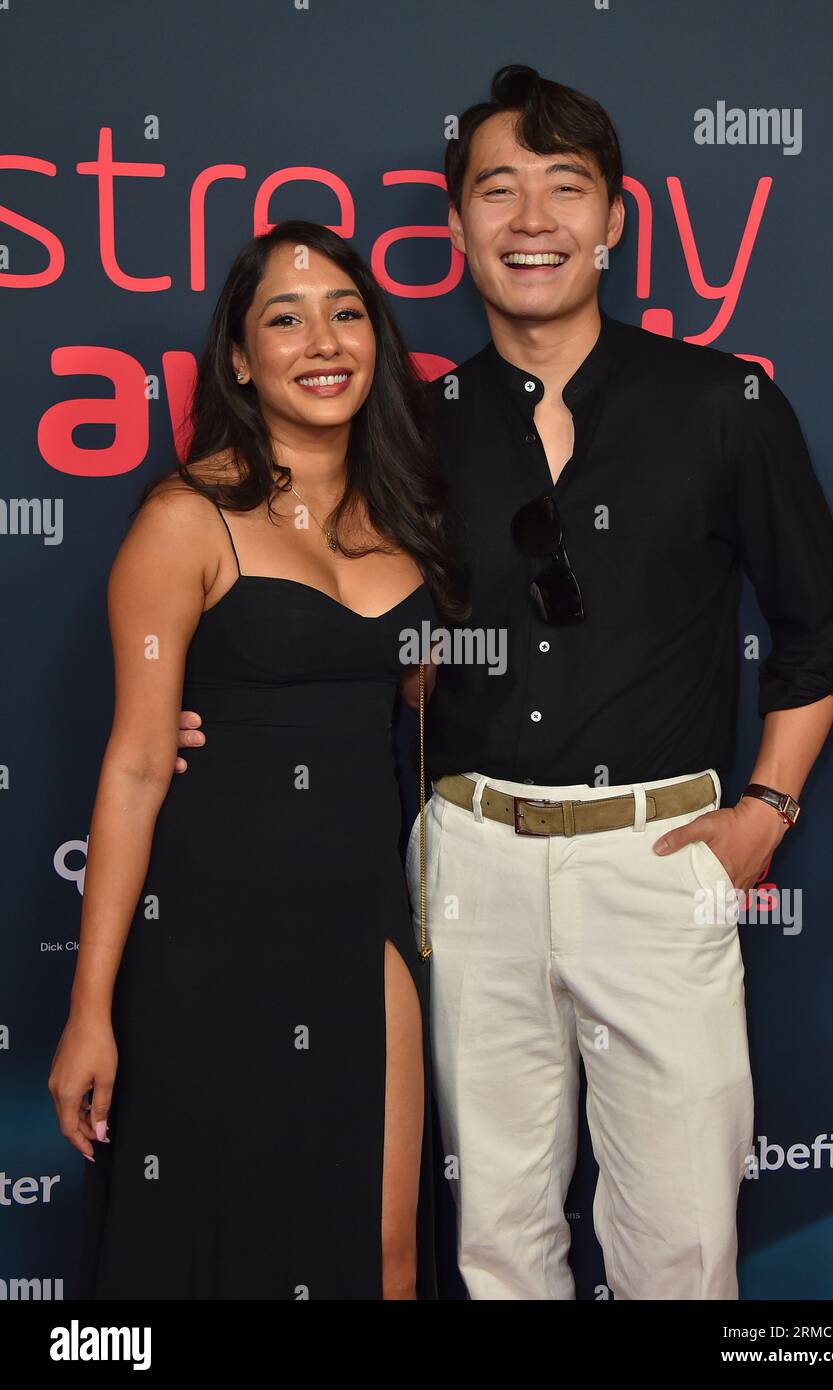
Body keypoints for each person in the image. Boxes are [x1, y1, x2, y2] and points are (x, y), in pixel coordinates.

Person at [176, 68, 833, 1300]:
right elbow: (317, 597)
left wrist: (765, 812)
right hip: (472, 864)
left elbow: (819, 633)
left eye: (565, 188)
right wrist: (219, 705)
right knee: (495, 1241)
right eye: (499, 190)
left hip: (659, 861)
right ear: (457, 226)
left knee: (682, 1248)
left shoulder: (725, 403)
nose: (532, 219)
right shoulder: (413, 428)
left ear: (615, 221)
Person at [48, 219, 465, 1300]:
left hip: (362, 919)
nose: (323, 341)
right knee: (209, 1247)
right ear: (238, 358)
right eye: (286, 318)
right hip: (204, 935)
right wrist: (90, 1009)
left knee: (384, 1255)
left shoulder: (412, 517)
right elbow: (137, 767)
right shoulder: (186, 519)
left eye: (346, 312)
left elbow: (432, 704)